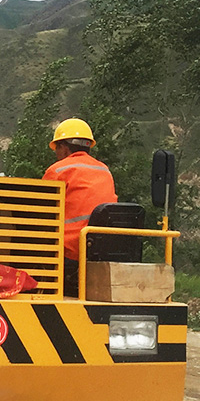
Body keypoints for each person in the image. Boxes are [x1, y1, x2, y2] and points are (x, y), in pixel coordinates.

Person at [43, 118, 117, 297]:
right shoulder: (105, 171)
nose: (56, 154)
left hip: (68, 255)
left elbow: (41, 213)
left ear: (64, 148)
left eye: (57, 149)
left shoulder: (57, 171)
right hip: (103, 252)